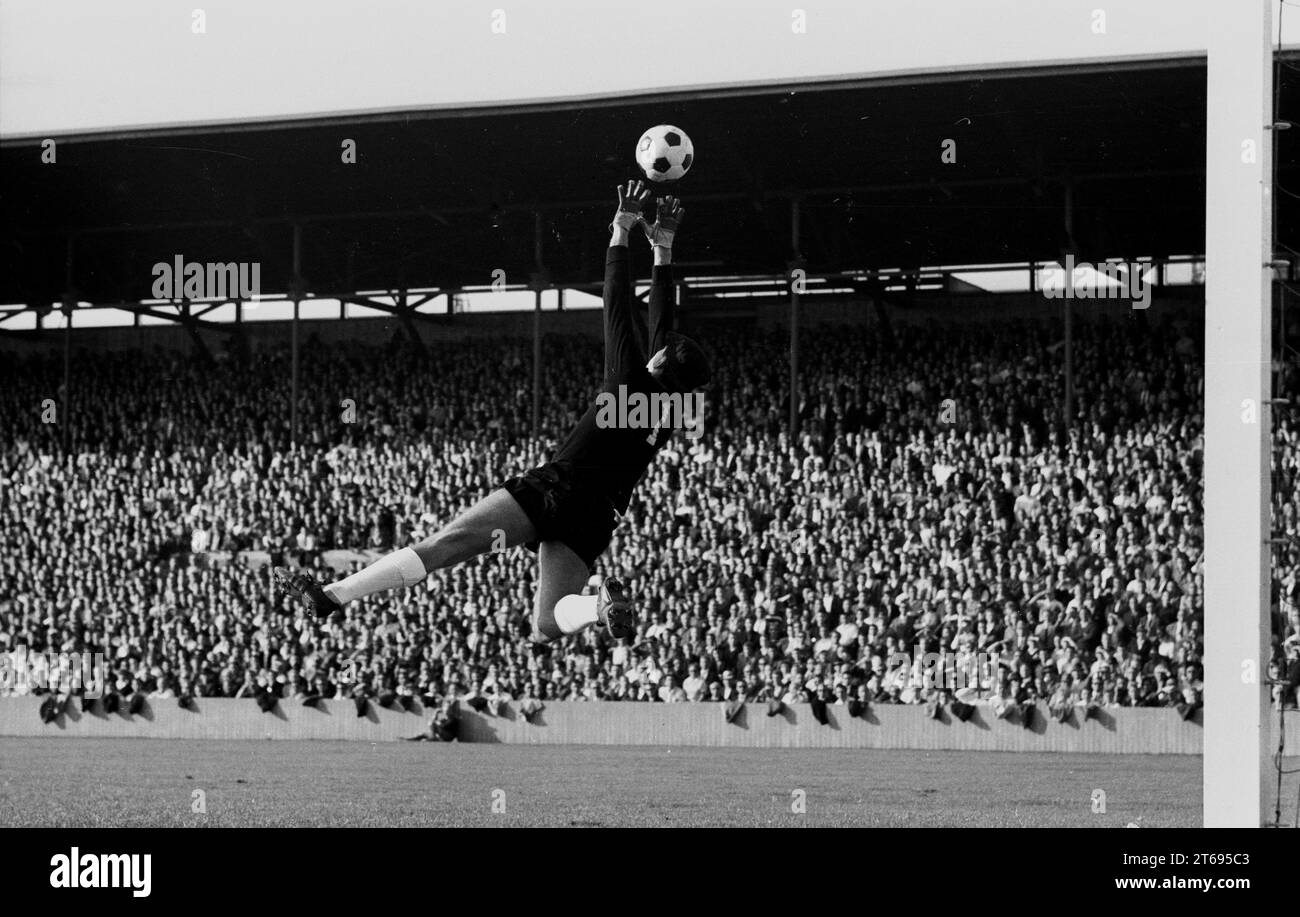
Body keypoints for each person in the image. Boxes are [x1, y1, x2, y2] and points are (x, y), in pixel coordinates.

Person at [276, 181, 711, 646]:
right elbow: (663, 326)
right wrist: (662, 251)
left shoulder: (628, 378)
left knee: (446, 545)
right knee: (544, 626)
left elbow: (618, 307)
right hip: (599, 517)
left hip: (557, 488)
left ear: (661, 361)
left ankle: (335, 595)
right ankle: (592, 607)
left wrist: (620, 233)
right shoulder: (674, 410)